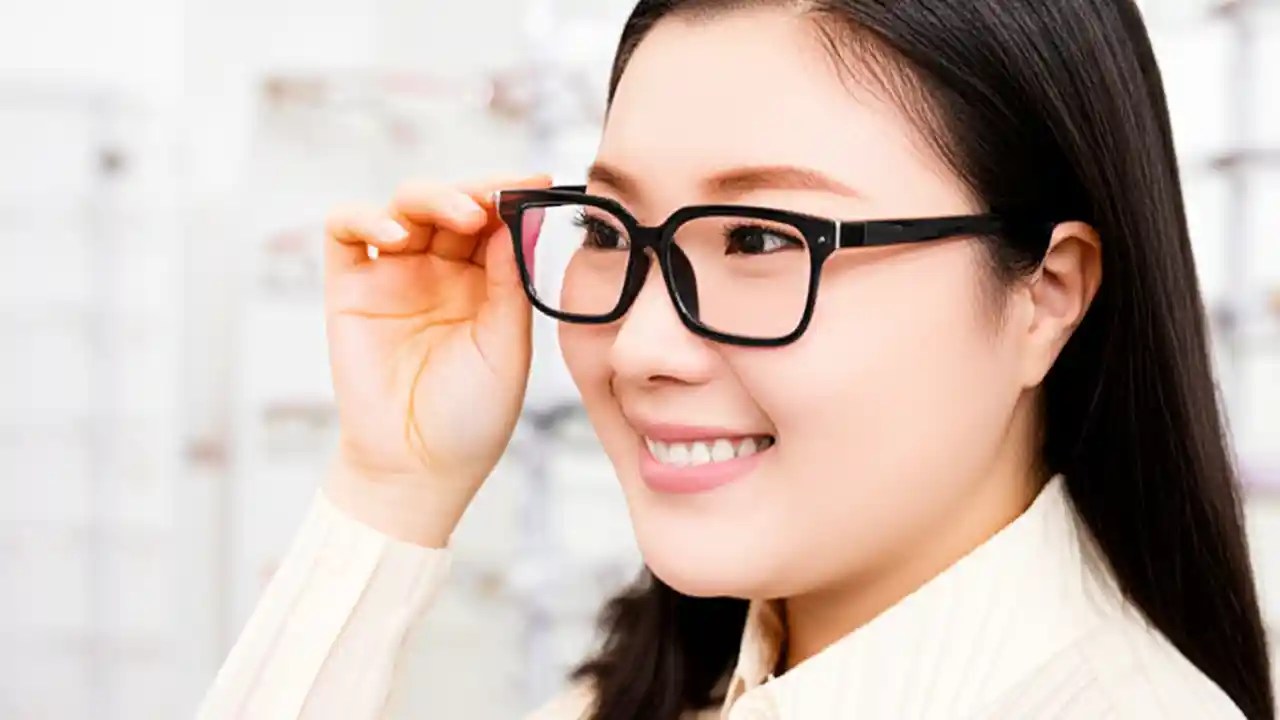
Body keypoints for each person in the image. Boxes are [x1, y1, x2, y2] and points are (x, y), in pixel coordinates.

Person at [198, 1, 1275, 718]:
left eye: (762, 240)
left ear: (1043, 293)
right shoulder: (663, 679)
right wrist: (392, 488)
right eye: (611, 231)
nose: (642, 345)